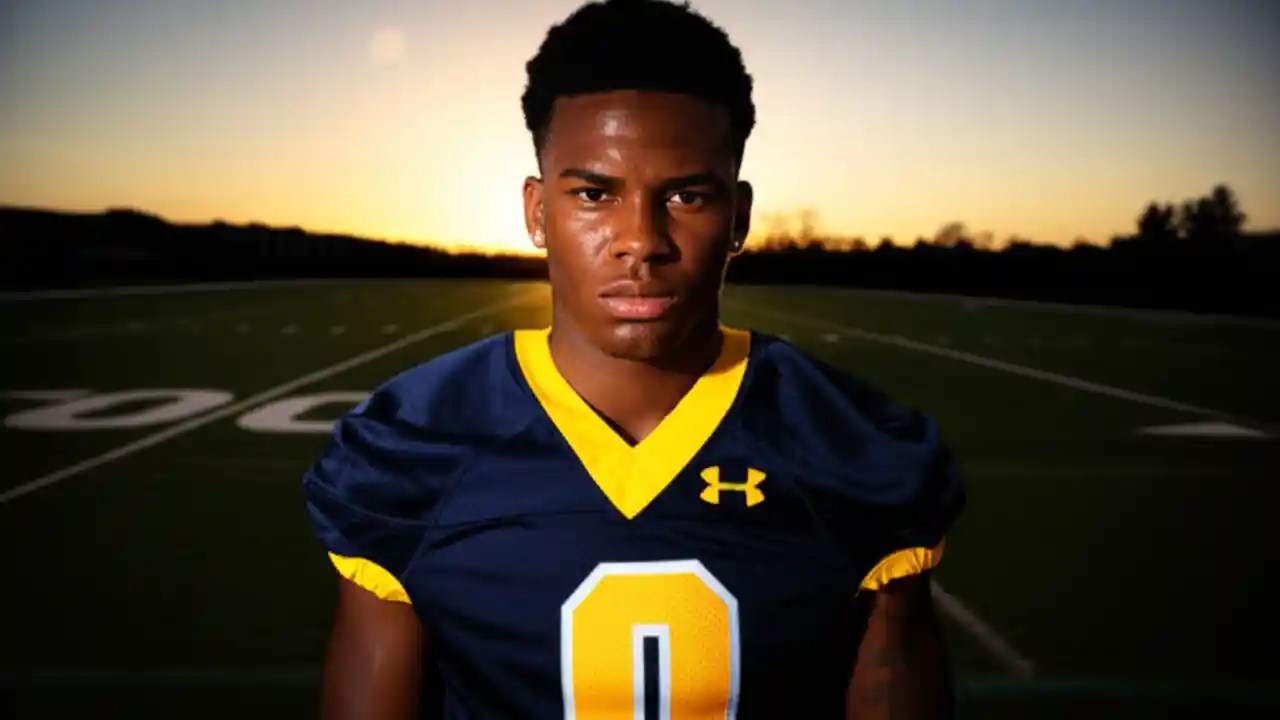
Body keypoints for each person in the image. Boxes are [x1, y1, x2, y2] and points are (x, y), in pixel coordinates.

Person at [302, 0, 966, 717]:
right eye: (594, 194)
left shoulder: (849, 445)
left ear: (738, 217)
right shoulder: (413, 446)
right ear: (536, 212)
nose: (640, 240)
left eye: (685, 195)